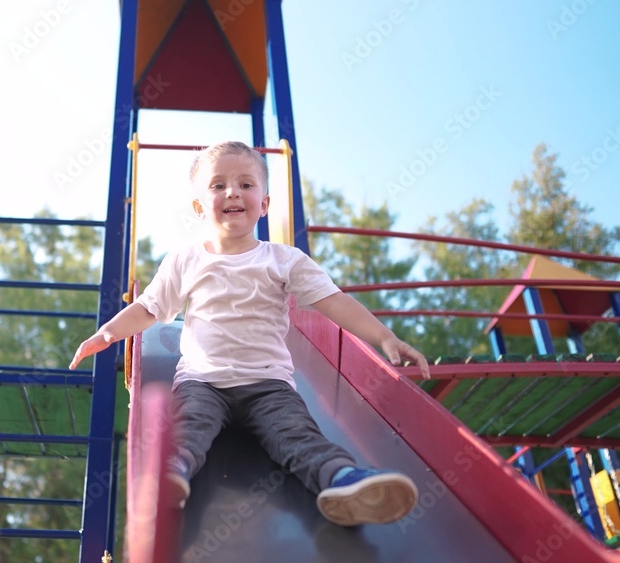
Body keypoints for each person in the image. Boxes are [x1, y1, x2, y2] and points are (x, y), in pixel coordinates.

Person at [69, 140, 431, 526]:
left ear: (265, 203)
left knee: (297, 435)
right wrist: (107, 334)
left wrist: (384, 337)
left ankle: (343, 480)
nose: (232, 192)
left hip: (268, 384)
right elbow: (148, 308)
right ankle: (169, 476)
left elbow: (334, 302)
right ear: (198, 206)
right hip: (202, 381)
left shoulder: (284, 260)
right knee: (187, 426)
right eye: (217, 185)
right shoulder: (186, 259)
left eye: (245, 183)